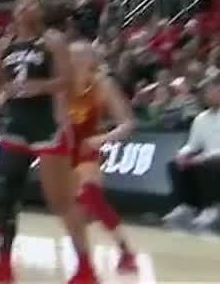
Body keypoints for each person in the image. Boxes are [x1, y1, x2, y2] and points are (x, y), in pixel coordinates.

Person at [0, 0, 96, 284]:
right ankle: (3, 265)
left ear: (40, 12)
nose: (25, 7)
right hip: (16, 126)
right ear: (14, 11)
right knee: (4, 195)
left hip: (47, 127)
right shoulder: (2, 47)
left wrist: (38, 86)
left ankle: (85, 267)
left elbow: (67, 83)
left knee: (60, 203)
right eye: (21, 3)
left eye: (32, 4)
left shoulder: (52, 41)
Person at [68, 39, 137, 272]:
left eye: (81, 57)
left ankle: (126, 252)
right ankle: (84, 262)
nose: (75, 62)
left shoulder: (103, 85)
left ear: (92, 60)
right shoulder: (60, 85)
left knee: (92, 199)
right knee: (77, 212)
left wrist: (101, 139)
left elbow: (127, 123)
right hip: (63, 152)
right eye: (71, 57)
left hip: (87, 150)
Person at [162, 73, 220, 230]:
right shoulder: (200, 118)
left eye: (212, 91)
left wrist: (205, 157)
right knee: (174, 165)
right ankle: (186, 207)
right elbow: (193, 144)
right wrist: (182, 154)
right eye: (206, 92)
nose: (208, 95)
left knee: (209, 167)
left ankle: (213, 209)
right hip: (207, 159)